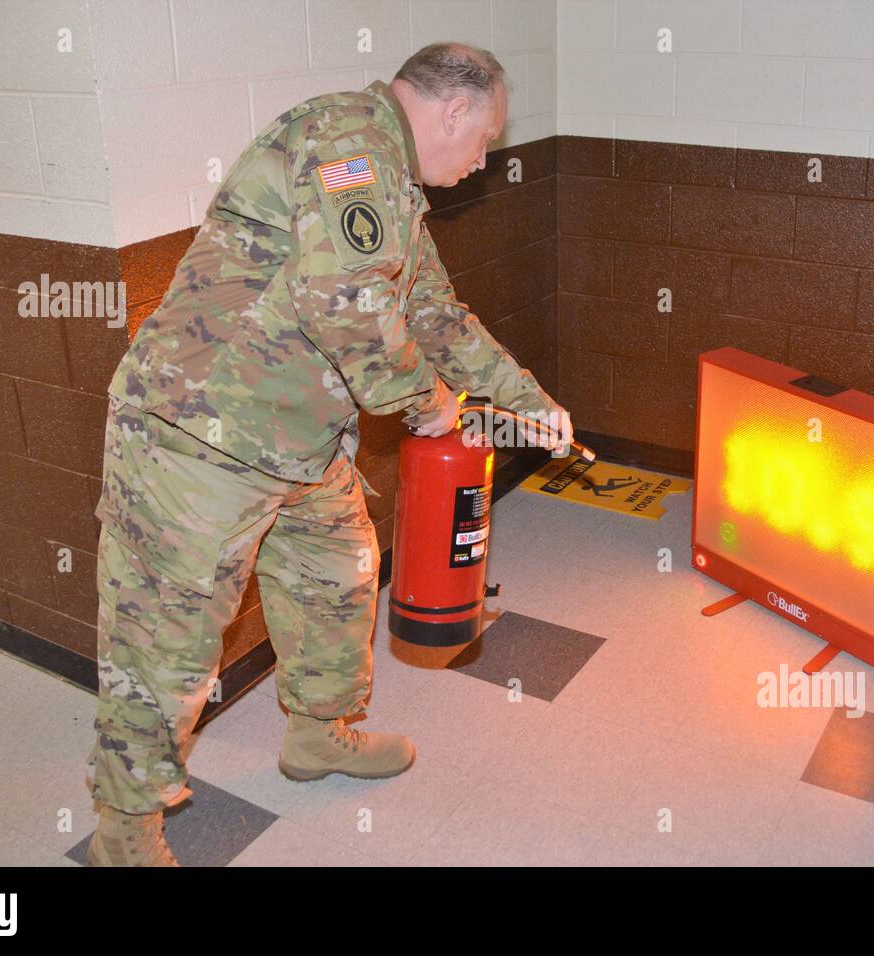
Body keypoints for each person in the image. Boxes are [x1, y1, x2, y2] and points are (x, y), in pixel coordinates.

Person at [84, 42, 572, 867]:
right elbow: (347, 309)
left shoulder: (395, 184)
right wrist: (429, 407)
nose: (483, 160)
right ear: (451, 111)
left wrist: (528, 400)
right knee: (165, 646)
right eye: (484, 138)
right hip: (199, 436)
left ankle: (317, 736)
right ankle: (124, 835)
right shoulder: (349, 146)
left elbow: (433, 311)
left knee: (337, 576)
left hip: (295, 438)